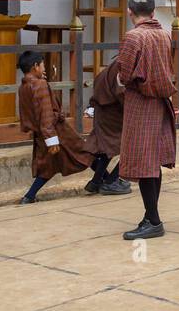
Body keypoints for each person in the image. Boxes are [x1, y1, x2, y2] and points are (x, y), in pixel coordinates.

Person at [116, 0, 178, 240]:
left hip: (141, 103)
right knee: (152, 160)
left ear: (130, 13)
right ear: (153, 12)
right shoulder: (164, 34)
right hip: (161, 102)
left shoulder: (133, 37)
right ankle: (149, 215)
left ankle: (154, 220)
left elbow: (124, 74)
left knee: (144, 162)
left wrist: (122, 81)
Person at [16, 51, 91, 205]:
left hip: (43, 132)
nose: (44, 68)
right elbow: (45, 113)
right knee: (84, 151)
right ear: (35, 66)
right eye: (42, 64)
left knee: (48, 165)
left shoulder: (24, 85)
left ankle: (29, 196)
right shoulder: (39, 84)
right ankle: (106, 180)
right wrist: (51, 139)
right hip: (55, 130)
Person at [84, 63, 131, 195]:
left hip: (103, 110)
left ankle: (96, 181)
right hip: (113, 112)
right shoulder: (125, 66)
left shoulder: (116, 64)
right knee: (132, 146)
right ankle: (112, 181)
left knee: (107, 148)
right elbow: (122, 92)